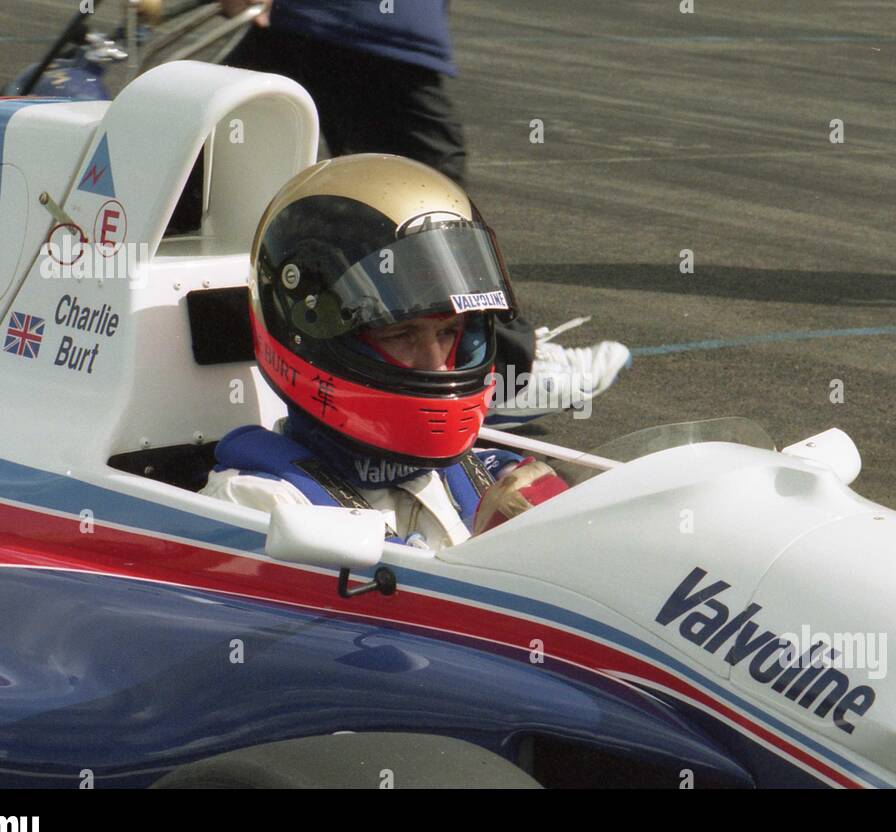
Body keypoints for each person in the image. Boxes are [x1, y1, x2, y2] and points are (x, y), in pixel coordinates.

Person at [217, 0, 630, 427]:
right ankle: (498, 374)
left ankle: (473, 366)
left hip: (349, 23)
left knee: (239, 157)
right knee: (424, 203)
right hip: (362, 24)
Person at [201, 154, 568, 548]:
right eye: (402, 335)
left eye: (449, 332)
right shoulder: (258, 506)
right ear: (314, 341)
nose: (438, 366)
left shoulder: (486, 476)